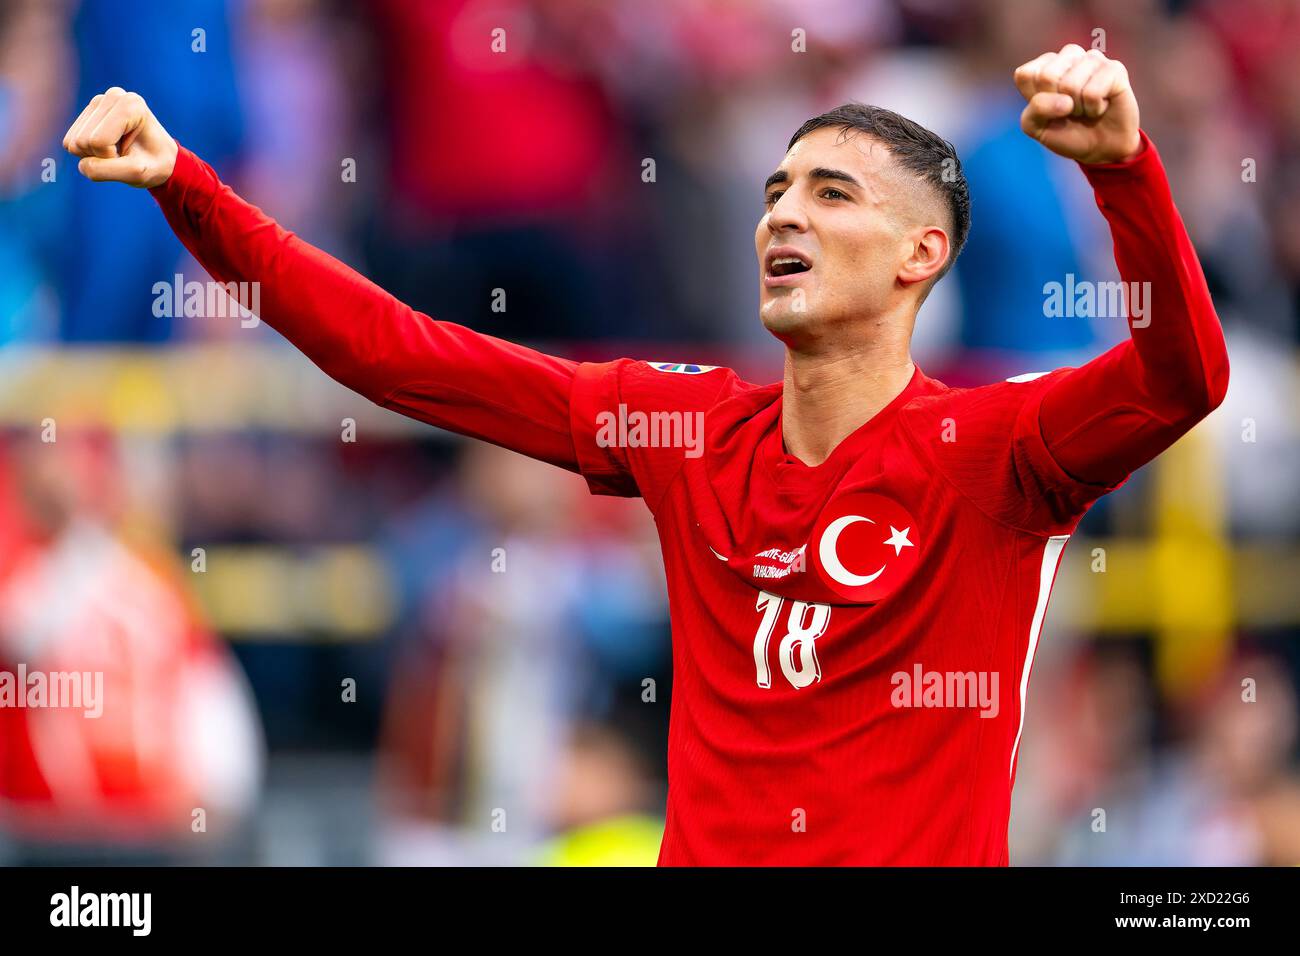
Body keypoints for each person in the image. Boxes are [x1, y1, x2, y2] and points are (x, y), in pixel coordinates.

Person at [61, 43, 1228, 865]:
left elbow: (1185, 378)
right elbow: (398, 354)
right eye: (775, 191)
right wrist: (187, 188)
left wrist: (1123, 173)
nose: (783, 215)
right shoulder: (687, 432)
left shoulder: (996, 447)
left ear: (922, 252)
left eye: (830, 193)